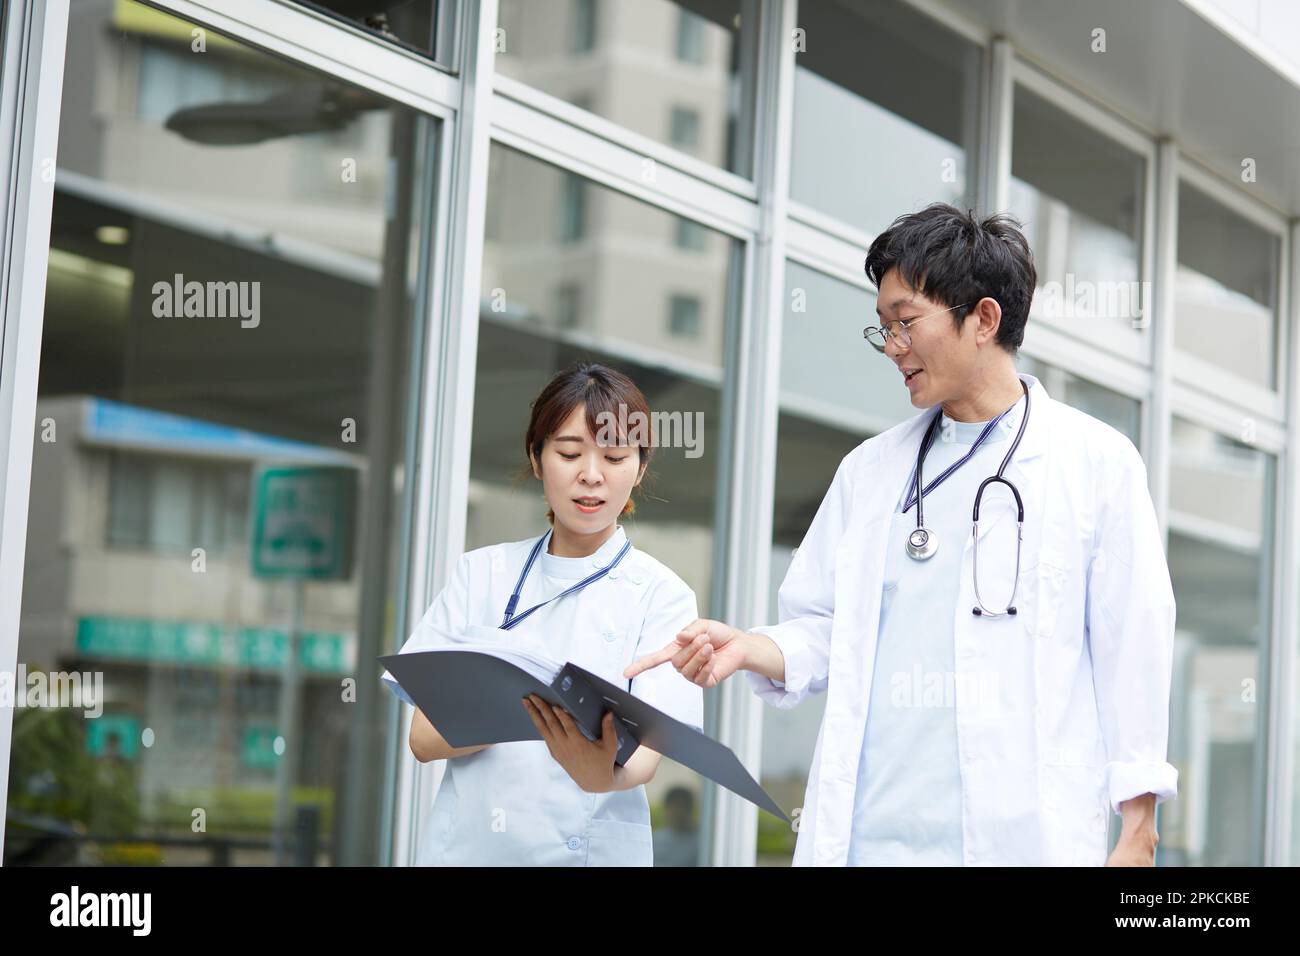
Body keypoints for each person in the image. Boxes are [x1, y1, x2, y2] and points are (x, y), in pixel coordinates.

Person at [627, 203, 1178, 866]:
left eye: (906, 322)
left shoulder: (1094, 464)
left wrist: (1138, 825)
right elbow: (826, 627)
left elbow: (1133, 644)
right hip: (868, 839)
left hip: (1019, 838)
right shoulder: (871, 471)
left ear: (983, 319)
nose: (893, 346)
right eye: (883, 327)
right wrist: (750, 647)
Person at [382, 362, 702, 866]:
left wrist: (602, 774)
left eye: (615, 456)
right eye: (569, 453)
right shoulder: (480, 574)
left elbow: (645, 756)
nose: (590, 475)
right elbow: (423, 739)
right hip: (470, 852)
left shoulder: (663, 596)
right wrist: (519, 703)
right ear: (536, 458)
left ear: (639, 469)